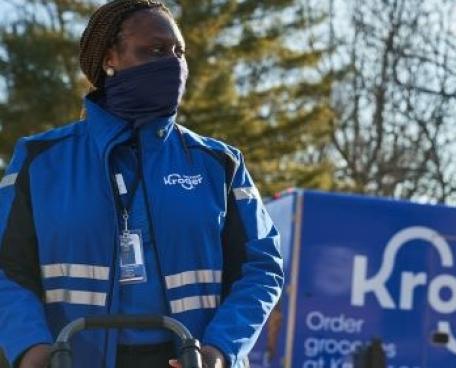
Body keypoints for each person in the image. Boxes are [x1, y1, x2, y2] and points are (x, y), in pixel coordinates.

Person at [0, 1, 284, 367]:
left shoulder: (219, 163)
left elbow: (261, 268)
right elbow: (6, 268)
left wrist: (220, 350)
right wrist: (31, 349)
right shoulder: (40, 160)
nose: (172, 63)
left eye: (178, 52)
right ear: (109, 59)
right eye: (154, 50)